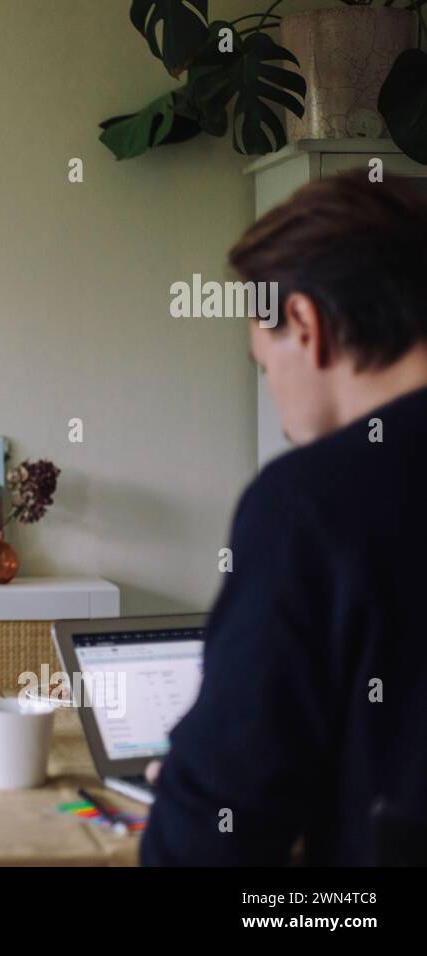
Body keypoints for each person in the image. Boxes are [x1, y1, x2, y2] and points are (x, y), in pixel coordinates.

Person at [142, 172, 427, 865]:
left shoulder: (313, 498)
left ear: (305, 324)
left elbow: (215, 828)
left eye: (264, 366)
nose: (274, 395)